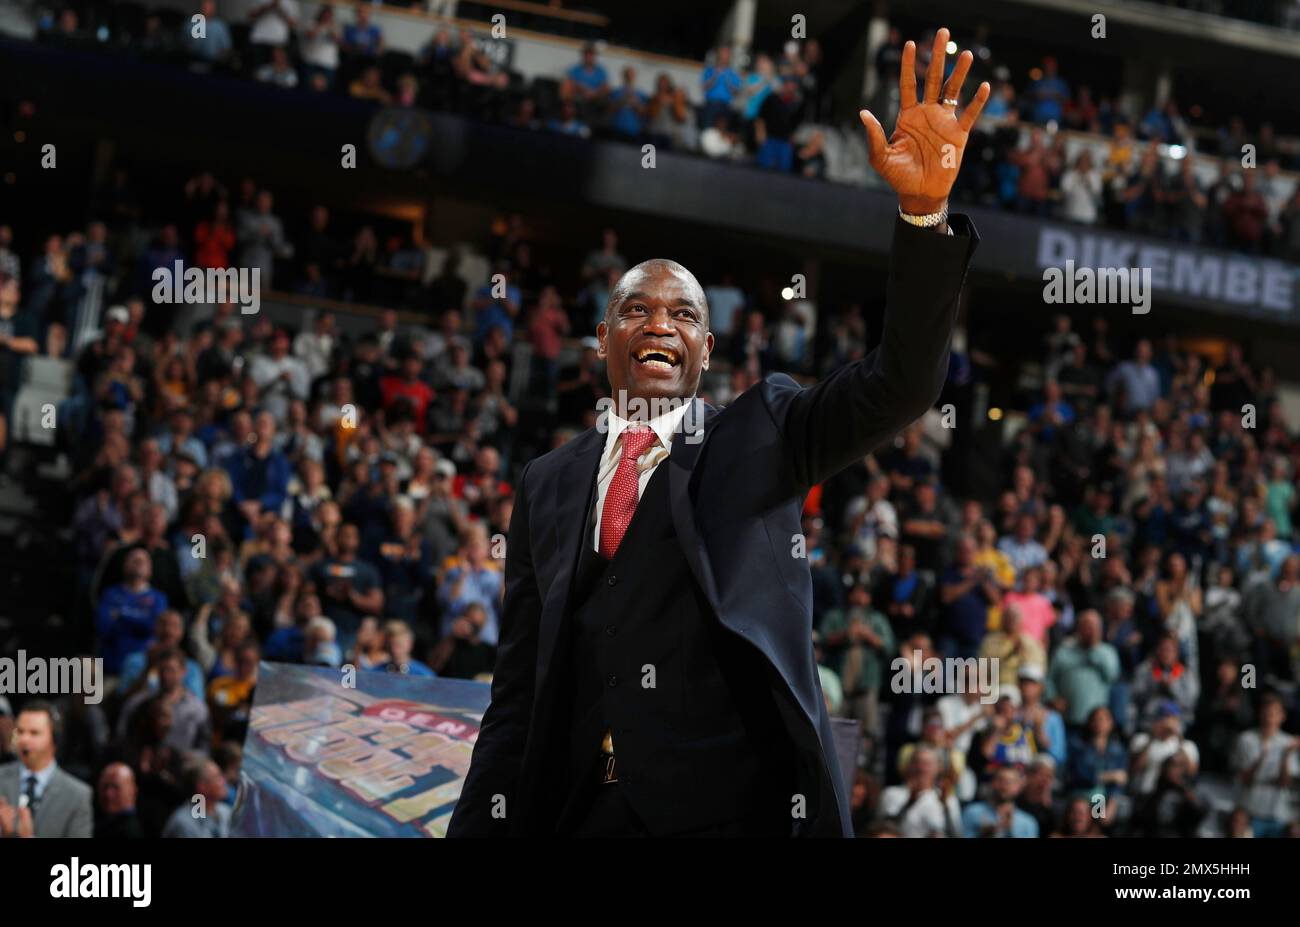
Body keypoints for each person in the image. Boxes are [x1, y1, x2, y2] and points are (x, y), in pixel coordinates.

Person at [449, 28, 989, 838]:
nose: (659, 322)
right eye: (636, 308)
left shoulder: (762, 429)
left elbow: (900, 384)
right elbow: (518, 692)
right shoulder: (548, 481)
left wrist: (923, 215)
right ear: (601, 339)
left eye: (683, 314)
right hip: (575, 814)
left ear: (706, 348)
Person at [0, 702, 93, 838]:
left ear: (54, 739)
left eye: (34, 733)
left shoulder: (78, 796)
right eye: (20, 731)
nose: (24, 739)